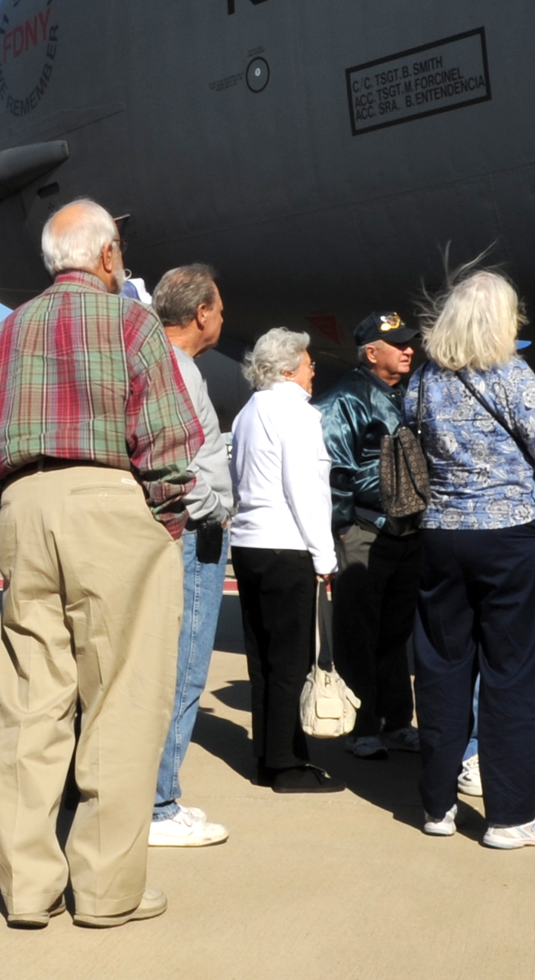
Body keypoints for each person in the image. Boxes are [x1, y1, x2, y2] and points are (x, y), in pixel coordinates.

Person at [0, 199, 201, 931]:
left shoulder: (0, 334)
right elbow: (167, 440)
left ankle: (28, 887)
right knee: (124, 698)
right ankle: (104, 889)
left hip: (25, 507)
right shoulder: (132, 323)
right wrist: (164, 514)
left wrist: (6, 506)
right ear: (104, 257)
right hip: (111, 498)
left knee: (31, 699)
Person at [405, 267, 535, 849]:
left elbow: (414, 443)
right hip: (510, 534)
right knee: (515, 674)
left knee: (443, 668)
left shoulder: (424, 378)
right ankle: (511, 815)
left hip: (443, 534)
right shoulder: (511, 374)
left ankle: (437, 805)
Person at [228, 328, 346, 796]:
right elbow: (306, 489)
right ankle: (287, 762)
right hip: (287, 544)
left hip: (250, 542)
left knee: (263, 659)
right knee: (291, 660)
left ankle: (266, 756)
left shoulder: (248, 411)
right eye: (308, 363)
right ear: (286, 368)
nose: (313, 371)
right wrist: (324, 555)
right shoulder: (297, 414)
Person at [146, 265, 234, 848]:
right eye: (220, 309)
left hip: (176, 529)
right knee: (183, 669)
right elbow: (177, 463)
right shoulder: (179, 371)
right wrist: (213, 504)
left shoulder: (159, 365)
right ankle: (157, 804)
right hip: (192, 532)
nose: (223, 318)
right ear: (201, 313)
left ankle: (153, 796)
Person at [318, 311, 425, 763]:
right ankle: (361, 726)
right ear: (370, 352)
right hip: (364, 528)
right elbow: (333, 470)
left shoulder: (407, 394)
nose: (408, 350)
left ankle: (397, 720)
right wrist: (341, 529)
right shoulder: (344, 399)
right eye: (398, 344)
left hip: (407, 529)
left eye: (409, 343)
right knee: (359, 631)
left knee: (396, 631)